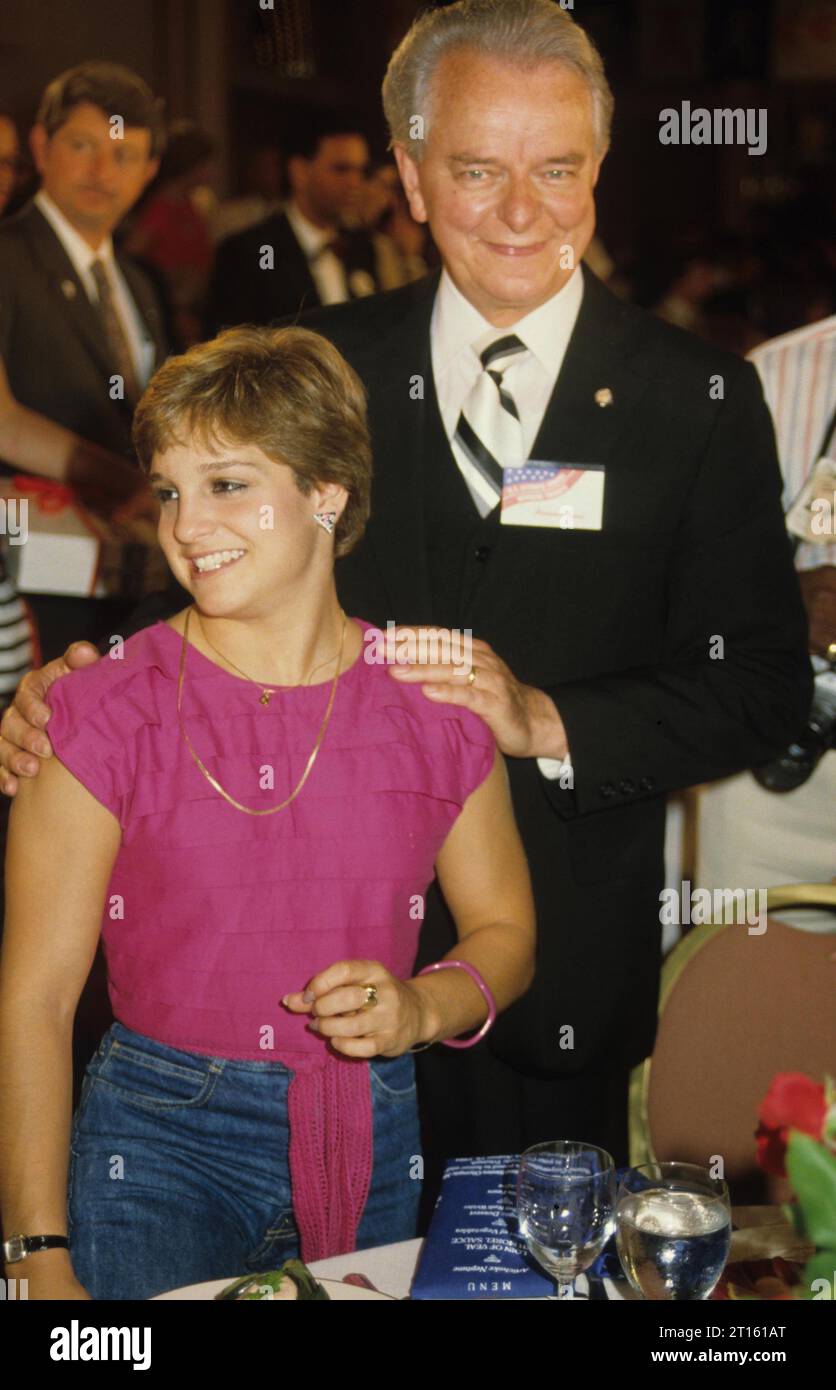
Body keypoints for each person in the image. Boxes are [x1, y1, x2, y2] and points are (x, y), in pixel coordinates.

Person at [0, 0, 811, 1221]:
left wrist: (544, 719)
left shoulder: (691, 398)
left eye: (560, 171)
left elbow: (758, 685)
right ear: (412, 178)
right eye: (478, 171)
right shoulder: (312, 363)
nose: (522, 212)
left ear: (598, 170)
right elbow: (210, 583)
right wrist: (75, 690)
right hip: (274, 1008)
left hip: (549, 982)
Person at [0, 325, 535, 1300]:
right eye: (169, 488)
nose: (185, 522)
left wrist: (424, 1004)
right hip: (153, 1139)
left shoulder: (433, 701)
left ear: (326, 492)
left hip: (372, 1129)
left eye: (228, 483)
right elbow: (34, 1002)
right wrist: (35, 1255)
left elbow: (506, 931)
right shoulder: (93, 710)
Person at [0, 61, 169, 659]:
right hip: (27, 580)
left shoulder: (141, 286)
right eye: (83, 146)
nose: (103, 172)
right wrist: (136, 484)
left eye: (125, 156)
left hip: (128, 575)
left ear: (149, 171)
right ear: (42, 147)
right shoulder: (9, 256)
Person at [695, 314, 836, 931]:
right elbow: (684, 568)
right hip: (781, 765)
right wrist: (780, 597)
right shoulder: (779, 373)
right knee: (747, 1000)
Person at [204, 117, 382, 335]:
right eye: (341, 169)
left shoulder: (361, 245)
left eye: (361, 171)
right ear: (300, 172)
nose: (356, 183)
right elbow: (231, 346)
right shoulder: (249, 251)